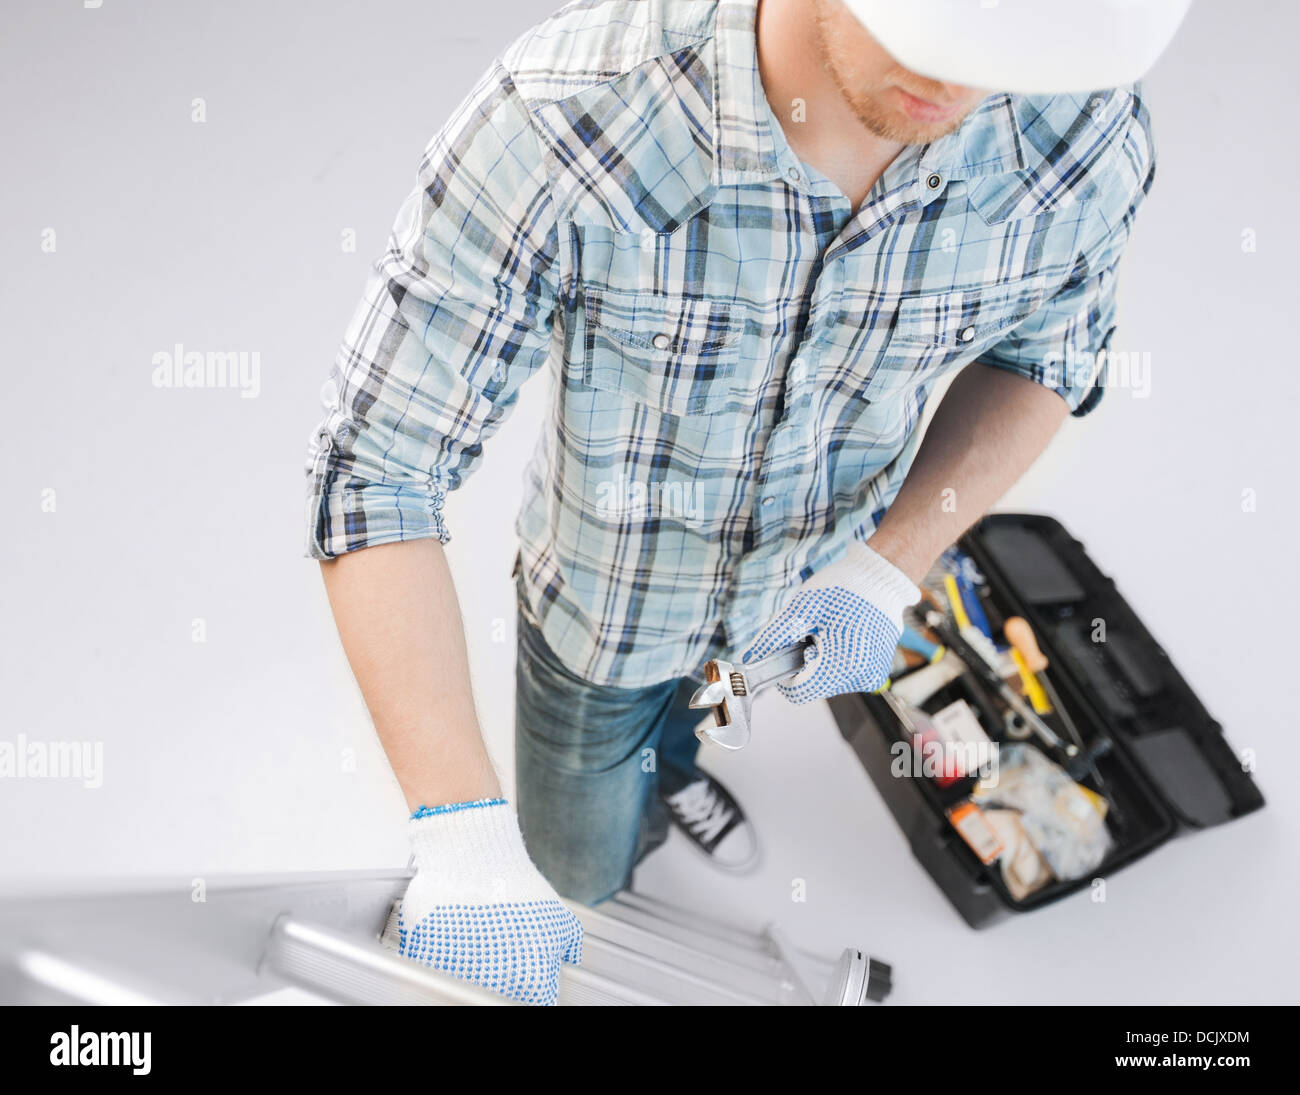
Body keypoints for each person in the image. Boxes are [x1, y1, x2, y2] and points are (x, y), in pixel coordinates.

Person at [304, 0, 1191, 1005]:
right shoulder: (563, 118)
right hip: (604, 624)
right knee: (579, 877)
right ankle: (610, 854)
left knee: (693, 727)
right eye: (931, 37)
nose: (957, 87)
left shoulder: (1080, 130)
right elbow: (376, 472)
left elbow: (1044, 363)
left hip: (790, 613)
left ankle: (673, 780)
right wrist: (460, 833)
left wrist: (886, 563)